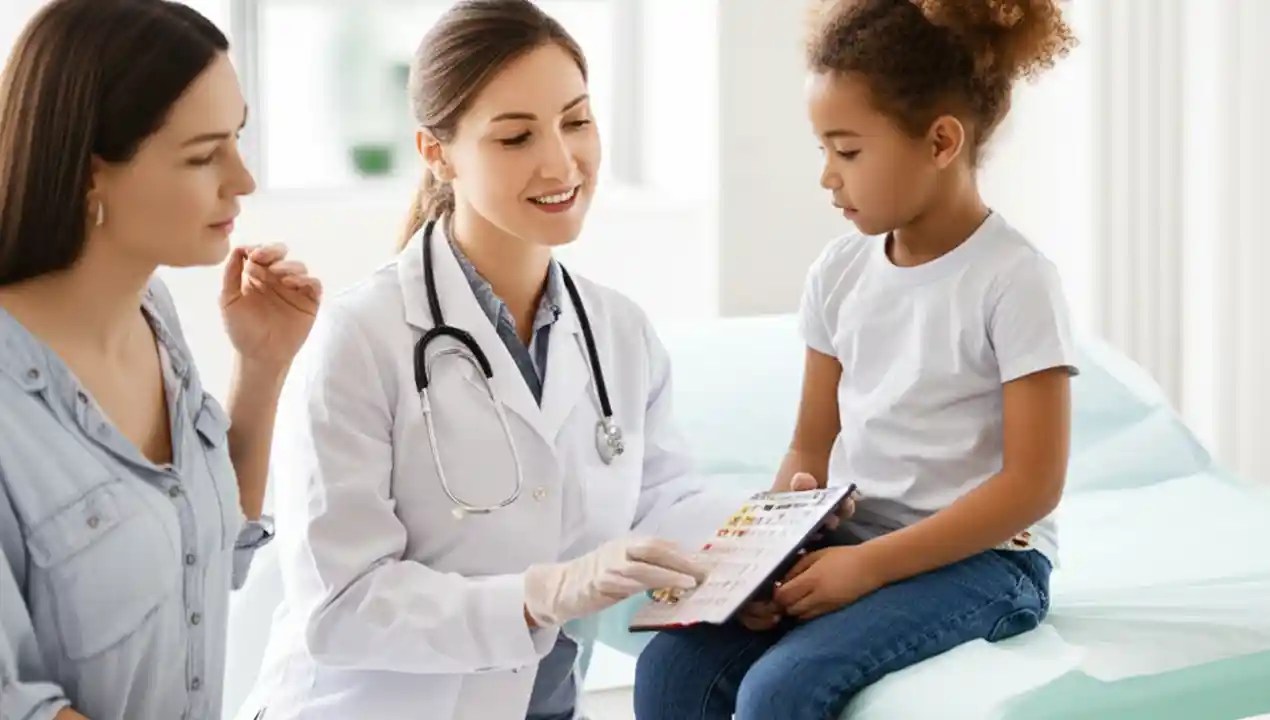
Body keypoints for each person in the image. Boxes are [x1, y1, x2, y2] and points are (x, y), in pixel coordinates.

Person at [241, 1, 715, 718]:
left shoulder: (620, 332)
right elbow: (341, 604)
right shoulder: (361, 339)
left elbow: (664, 510)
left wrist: (760, 548)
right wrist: (542, 594)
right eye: (516, 137)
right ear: (437, 152)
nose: (560, 161)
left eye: (577, 121)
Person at [634, 1, 1078, 718]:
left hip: (987, 563)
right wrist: (763, 564)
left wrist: (868, 567)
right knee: (670, 671)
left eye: (848, 151)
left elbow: (1032, 486)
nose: (827, 178)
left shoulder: (1015, 279)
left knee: (783, 689)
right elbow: (811, 446)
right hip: (854, 540)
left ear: (940, 142)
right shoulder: (838, 273)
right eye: (823, 151)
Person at [0, 1, 322, 719]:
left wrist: (262, 368)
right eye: (205, 154)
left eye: (237, 139)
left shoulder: (157, 320)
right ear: (90, 174)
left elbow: (209, 554)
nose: (243, 179)